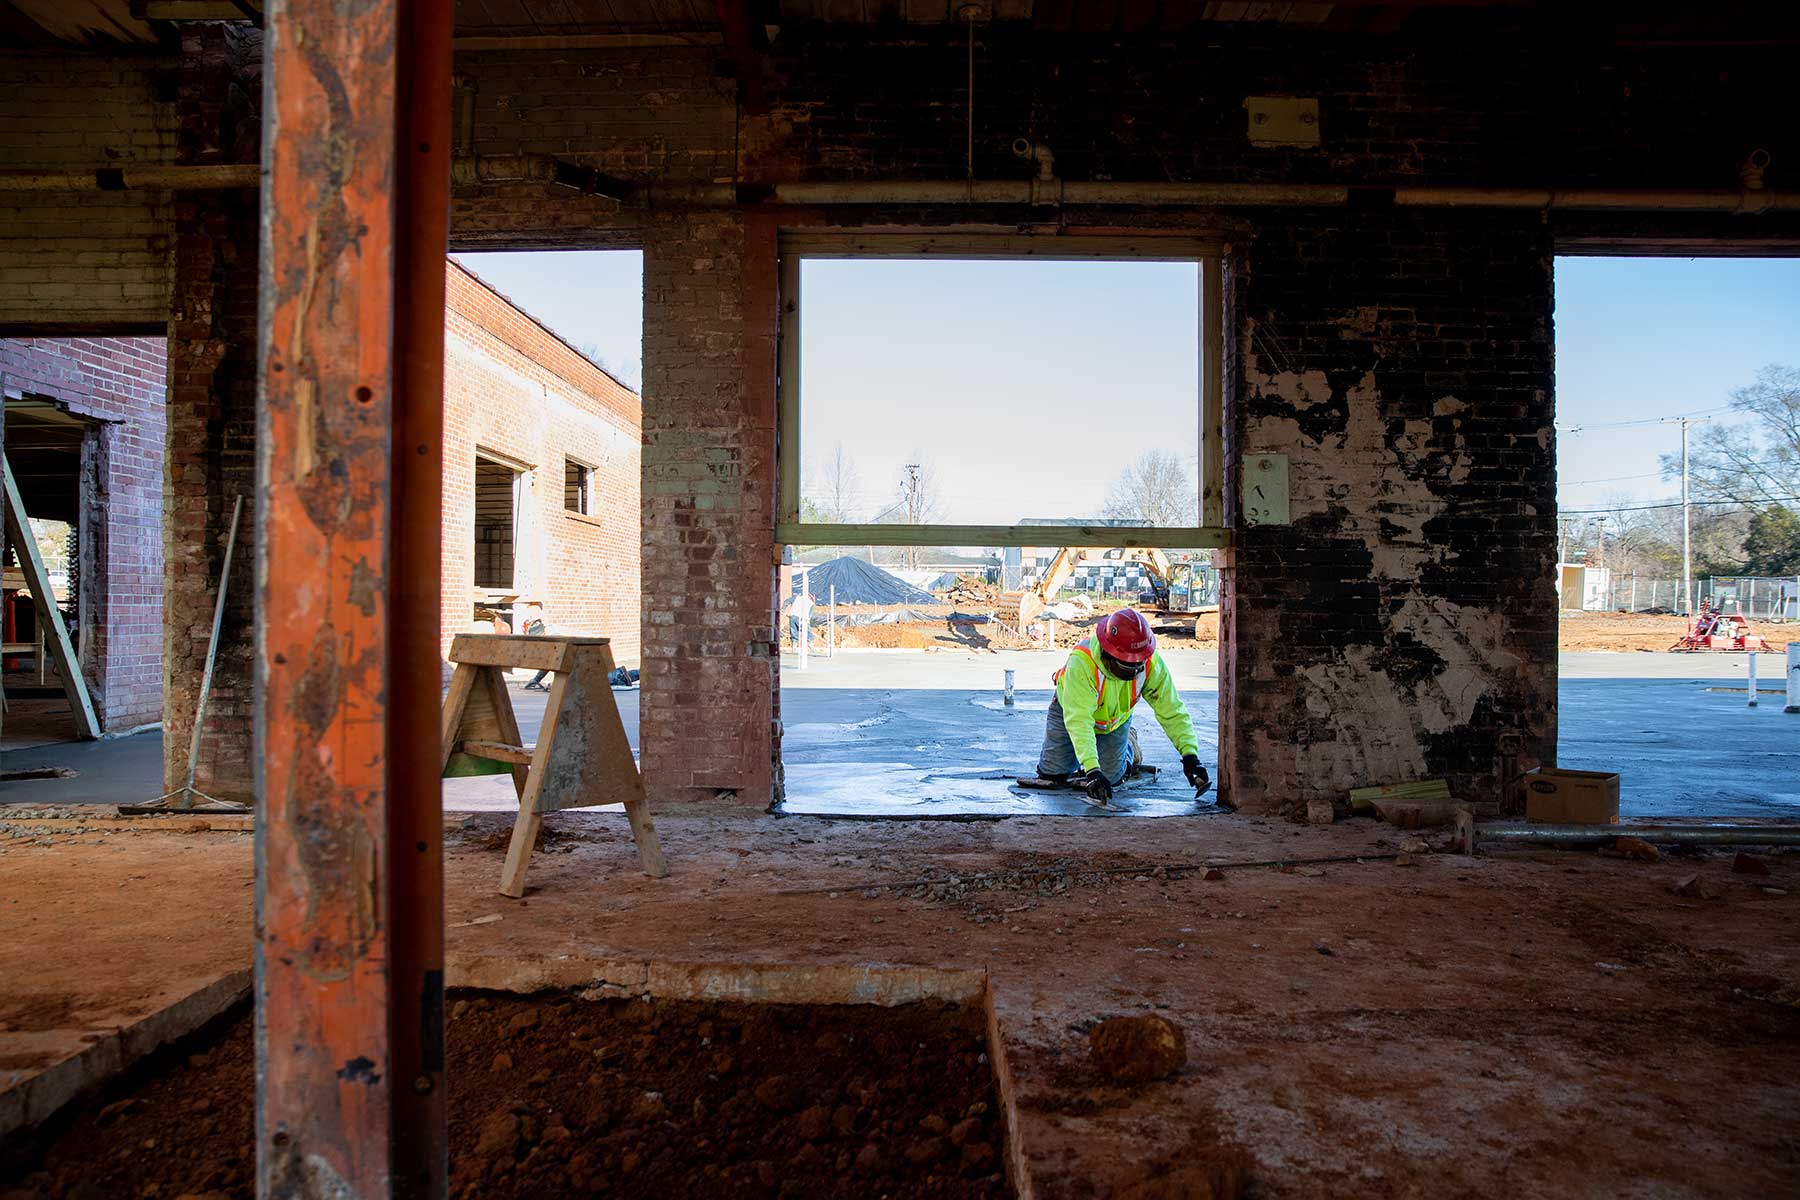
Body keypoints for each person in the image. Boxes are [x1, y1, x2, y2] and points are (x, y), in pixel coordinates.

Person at [1036, 607, 1210, 806]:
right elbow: (1079, 721)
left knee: (1111, 779)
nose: (1134, 670)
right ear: (1107, 654)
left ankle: (1129, 745)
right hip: (1069, 715)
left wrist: (1190, 755)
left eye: (1138, 665)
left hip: (1114, 723)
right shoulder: (1083, 662)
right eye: (1127, 666)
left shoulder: (1151, 663)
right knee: (1052, 775)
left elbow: (1171, 711)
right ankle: (1081, 757)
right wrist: (1092, 770)